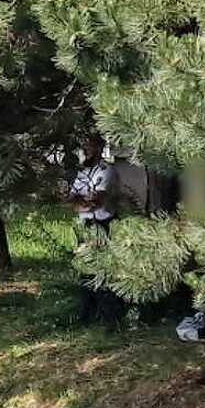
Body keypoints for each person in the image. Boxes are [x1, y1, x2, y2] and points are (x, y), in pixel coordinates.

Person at [70, 135, 122, 326]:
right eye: (85, 147)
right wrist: (83, 203)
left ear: (100, 148)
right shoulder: (82, 172)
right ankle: (87, 316)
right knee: (85, 270)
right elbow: (72, 201)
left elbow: (97, 201)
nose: (87, 151)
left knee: (104, 270)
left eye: (90, 147)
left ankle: (111, 318)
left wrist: (85, 202)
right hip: (85, 226)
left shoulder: (106, 171)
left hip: (103, 224)